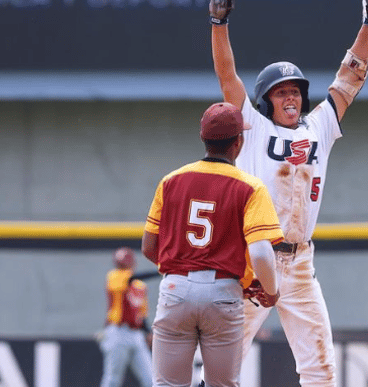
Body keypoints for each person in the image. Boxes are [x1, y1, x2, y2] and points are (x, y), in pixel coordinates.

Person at [205, 0, 368, 387]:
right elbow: (227, 78)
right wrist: (219, 26)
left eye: (295, 91)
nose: (290, 98)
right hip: (255, 257)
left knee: (321, 370)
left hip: (301, 261)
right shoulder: (250, 124)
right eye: (280, 92)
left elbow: (349, 79)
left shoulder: (319, 125)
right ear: (264, 99)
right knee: (221, 365)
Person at [141, 102, 283, 387]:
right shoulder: (250, 187)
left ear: (203, 138)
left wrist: (181, 272)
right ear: (238, 142)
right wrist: (271, 290)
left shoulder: (171, 181)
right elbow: (260, 253)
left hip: (175, 289)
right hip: (223, 292)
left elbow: (149, 247)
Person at [99, 247, 153, 387]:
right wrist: (159, 272)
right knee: (112, 379)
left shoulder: (140, 286)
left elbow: (140, 314)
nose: (123, 266)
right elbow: (127, 280)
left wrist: (147, 332)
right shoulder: (114, 276)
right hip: (117, 332)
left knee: (151, 378)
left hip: (136, 335)